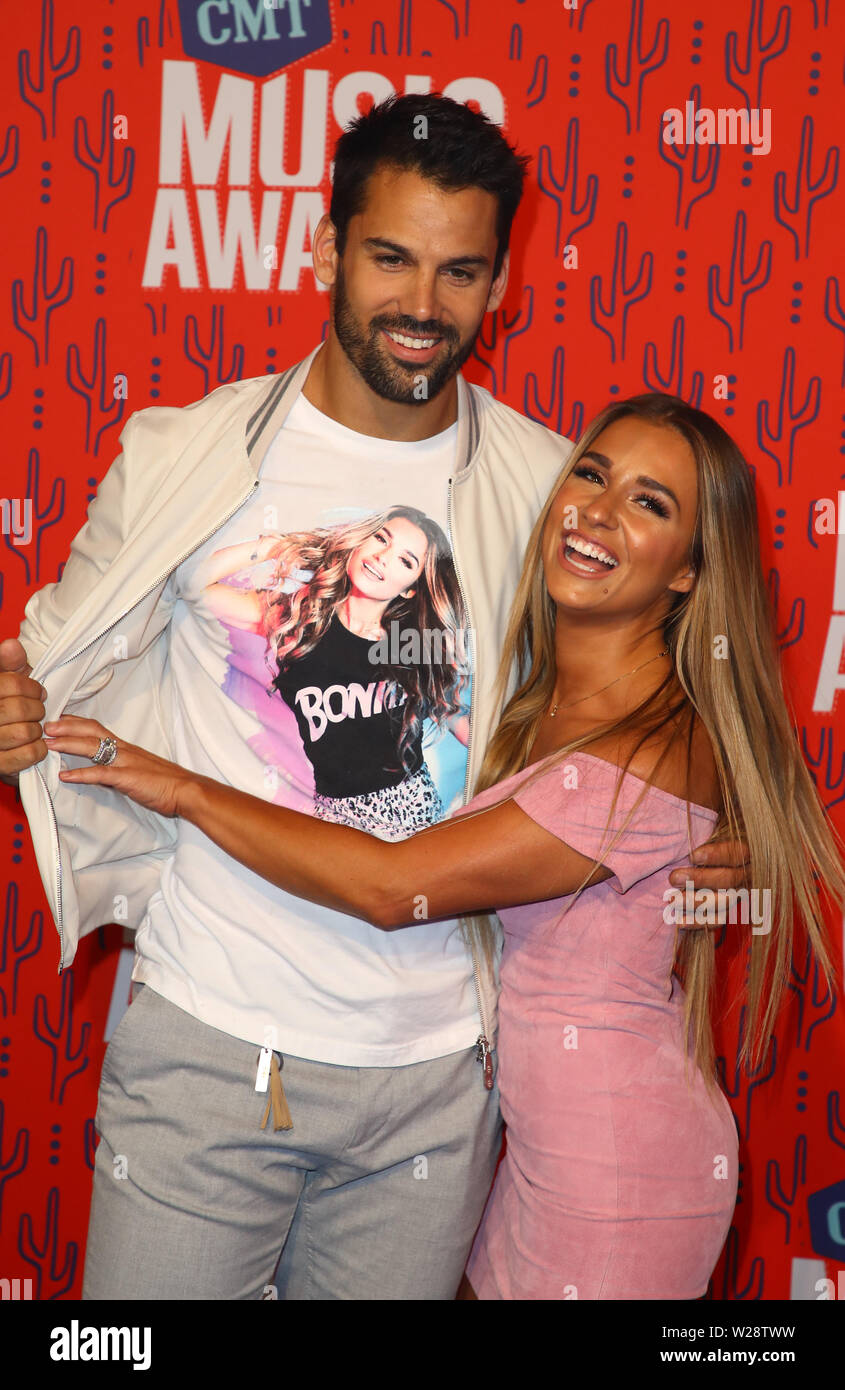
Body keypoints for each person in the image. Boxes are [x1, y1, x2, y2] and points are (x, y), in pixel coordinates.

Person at [0, 94, 748, 1301]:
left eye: (458, 271)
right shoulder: (186, 453)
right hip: (205, 1040)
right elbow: (42, 664)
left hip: (435, 1084)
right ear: (325, 248)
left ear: (501, 284)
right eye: (389, 257)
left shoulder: (545, 492)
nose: (420, 305)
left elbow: (656, 708)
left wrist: (709, 845)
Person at [42, 392, 844, 1300]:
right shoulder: (538, 694)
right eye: (591, 474)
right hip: (525, 1149)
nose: (598, 509)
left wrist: (182, 787)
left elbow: (393, 887)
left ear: (692, 571)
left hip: (616, 1171)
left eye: (649, 503)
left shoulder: (649, 744)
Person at [201, 504, 469, 838]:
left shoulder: (410, 643)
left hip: (412, 814)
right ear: (360, 542)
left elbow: (466, 726)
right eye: (380, 539)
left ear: (409, 588)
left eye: (405, 560)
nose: (384, 556)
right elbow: (196, 584)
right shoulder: (295, 619)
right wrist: (276, 547)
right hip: (335, 818)